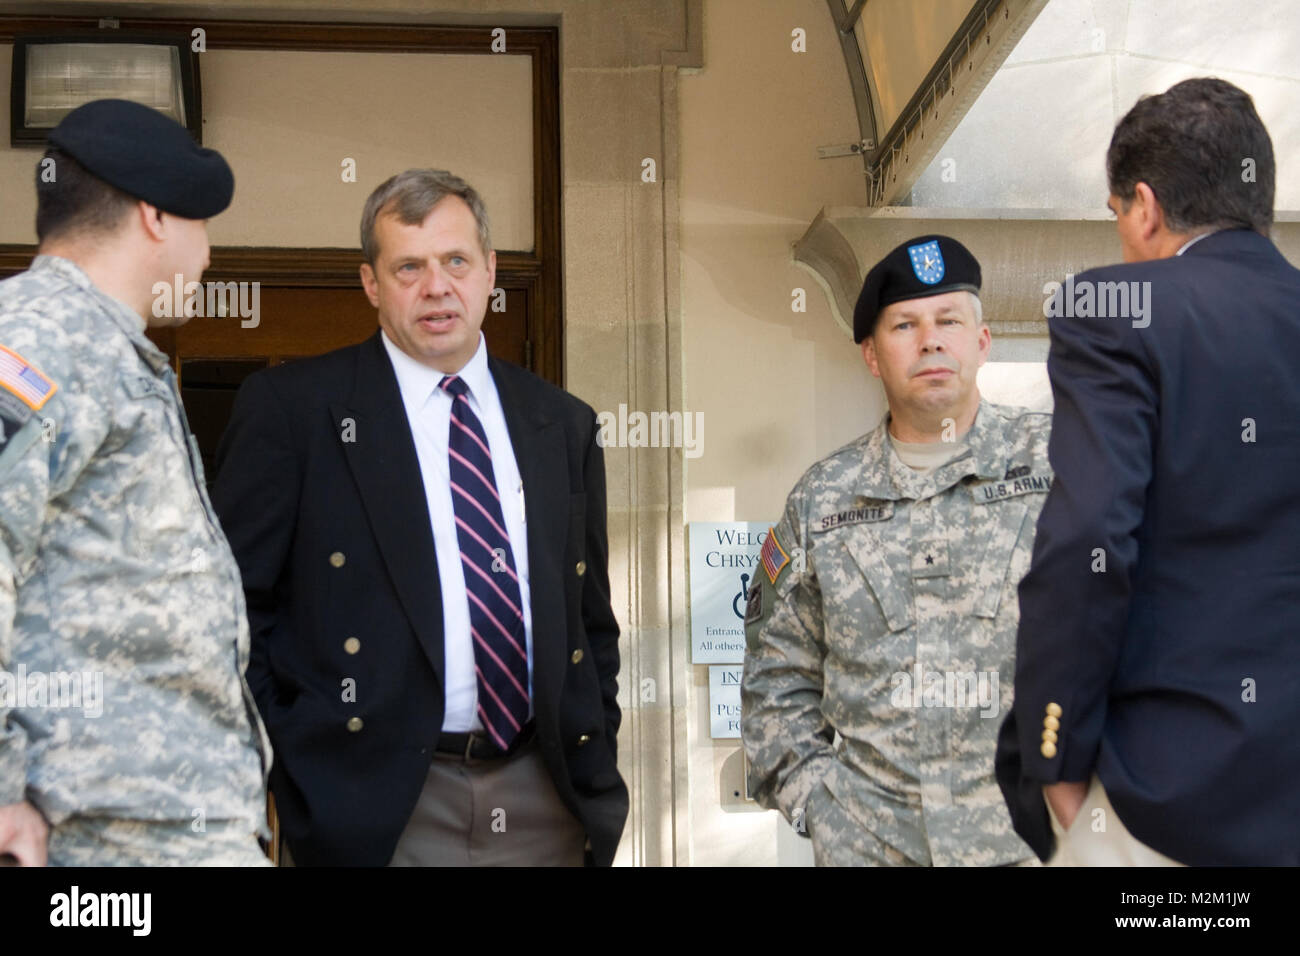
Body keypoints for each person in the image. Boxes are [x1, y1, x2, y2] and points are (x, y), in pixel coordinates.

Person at [212, 168, 627, 866]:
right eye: (409, 267)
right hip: (374, 803)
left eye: (456, 261)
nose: (437, 287)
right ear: (372, 284)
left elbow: (590, 619)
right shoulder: (293, 411)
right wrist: (301, 758)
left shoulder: (562, 423)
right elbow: (227, 610)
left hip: (542, 795)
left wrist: (596, 734)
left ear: (490, 271)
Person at [996, 77, 1300, 866]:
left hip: (1164, 802)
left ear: (1145, 205)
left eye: (1117, 216)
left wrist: (1055, 759)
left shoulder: (1120, 308)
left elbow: (1092, 535)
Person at [0, 99, 271, 866]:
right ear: (155, 215)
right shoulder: (42, 336)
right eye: (202, 224)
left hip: (149, 823)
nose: (208, 255)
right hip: (95, 836)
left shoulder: (103, 346)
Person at [742, 235, 1052, 866]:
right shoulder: (822, 501)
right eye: (905, 324)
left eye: (948, 321)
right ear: (872, 356)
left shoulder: (1068, 465)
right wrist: (821, 812)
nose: (931, 340)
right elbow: (774, 682)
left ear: (982, 341)